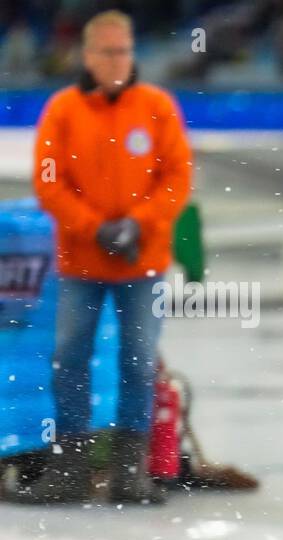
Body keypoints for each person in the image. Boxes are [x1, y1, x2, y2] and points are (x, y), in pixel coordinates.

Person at [25, 10, 192, 504]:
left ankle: (128, 473)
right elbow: (48, 180)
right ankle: (70, 469)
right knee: (69, 358)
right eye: (107, 52)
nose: (117, 60)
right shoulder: (62, 111)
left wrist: (137, 223)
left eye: (124, 51)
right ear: (87, 55)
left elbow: (177, 177)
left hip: (142, 262)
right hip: (82, 263)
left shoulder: (157, 107)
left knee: (138, 364)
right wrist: (94, 227)